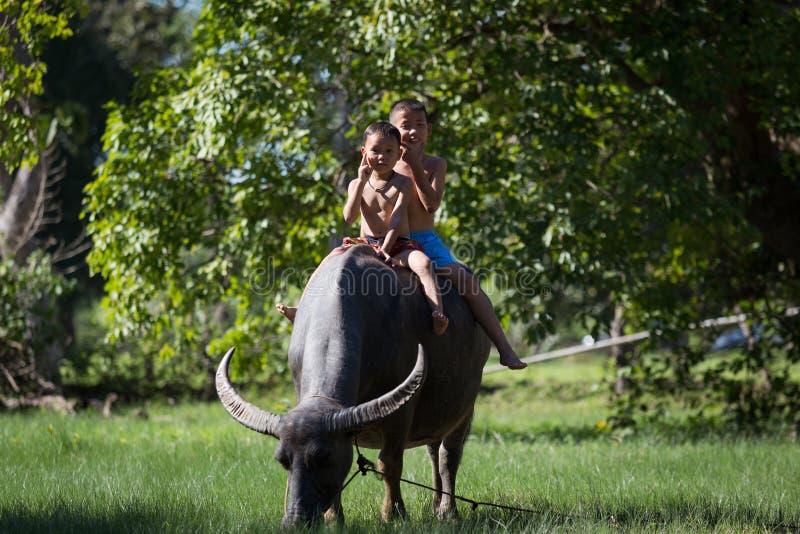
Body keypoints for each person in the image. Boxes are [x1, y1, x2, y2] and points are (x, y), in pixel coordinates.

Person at [389, 98, 527, 369]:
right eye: (406, 126)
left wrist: (416, 166)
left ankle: (504, 348)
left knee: (465, 281)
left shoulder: (435, 165)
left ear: (429, 130)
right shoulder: (385, 163)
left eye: (420, 125)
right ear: (393, 130)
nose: (413, 131)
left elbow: (431, 205)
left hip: (425, 241)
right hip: (392, 240)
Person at [278, 121, 449, 335]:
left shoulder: (403, 183)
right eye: (375, 150)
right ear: (364, 152)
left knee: (423, 264)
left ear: (398, 156)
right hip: (366, 243)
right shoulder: (355, 184)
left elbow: (396, 220)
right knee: (328, 261)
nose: (381, 157)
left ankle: (437, 313)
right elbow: (349, 217)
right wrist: (360, 182)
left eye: (389, 152)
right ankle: (301, 310)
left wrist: (386, 248)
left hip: (398, 244)